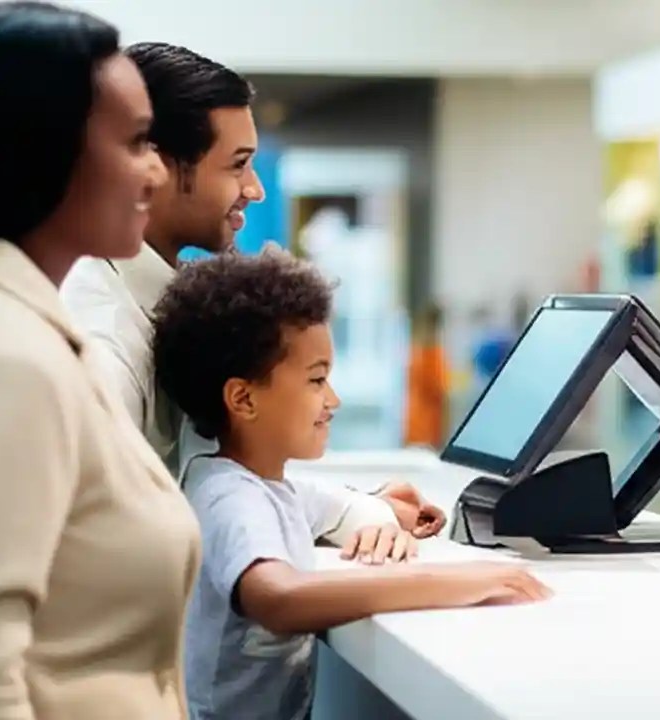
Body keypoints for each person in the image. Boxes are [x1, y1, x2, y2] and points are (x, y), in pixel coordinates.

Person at [59, 41, 446, 549]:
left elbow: (206, 486)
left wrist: (352, 507)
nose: (255, 188)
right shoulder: (99, 339)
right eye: (237, 165)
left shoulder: (155, 300)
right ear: (152, 169)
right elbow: (115, 536)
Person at [153, 251, 552, 720]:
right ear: (243, 398)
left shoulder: (257, 481)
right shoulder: (230, 497)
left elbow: (326, 505)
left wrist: (385, 508)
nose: (333, 399)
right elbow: (278, 599)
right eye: (317, 380)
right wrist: (461, 583)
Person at [0, 2, 195, 717]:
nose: (156, 173)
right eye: (134, 143)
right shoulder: (7, 358)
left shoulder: (38, 330)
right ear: (40, 148)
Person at [404, 301, 450, 448]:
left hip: (423, 430)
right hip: (420, 429)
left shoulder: (427, 354)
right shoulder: (424, 353)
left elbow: (441, 395)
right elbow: (441, 394)